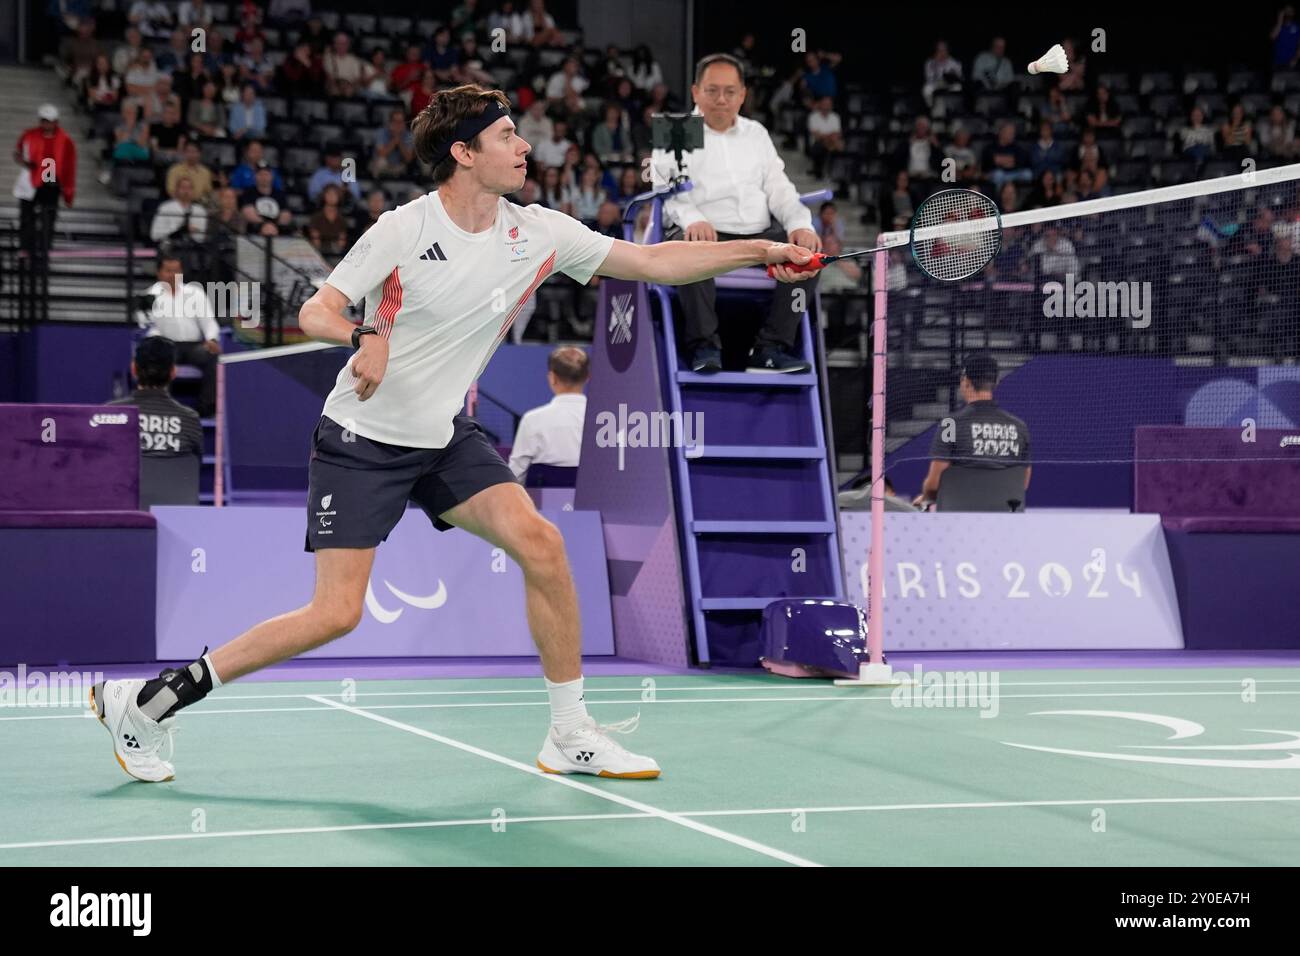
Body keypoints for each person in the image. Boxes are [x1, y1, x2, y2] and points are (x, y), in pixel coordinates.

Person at [90, 82, 814, 784]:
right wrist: (363, 335)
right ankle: (153, 701)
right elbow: (317, 309)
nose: (524, 145)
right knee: (335, 614)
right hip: (361, 438)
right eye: (506, 135)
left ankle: (571, 734)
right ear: (465, 154)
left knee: (542, 543)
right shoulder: (405, 228)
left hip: (443, 434)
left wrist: (762, 251)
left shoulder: (539, 232)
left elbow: (655, 263)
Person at [652, 54, 820, 373]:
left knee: (807, 253)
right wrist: (693, 219)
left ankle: (771, 348)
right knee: (688, 249)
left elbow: (779, 187)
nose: (721, 99)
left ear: (742, 95)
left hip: (757, 235)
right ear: (695, 92)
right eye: (712, 90)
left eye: (730, 91)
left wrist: (800, 224)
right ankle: (704, 346)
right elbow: (666, 188)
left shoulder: (755, 133)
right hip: (704, 233)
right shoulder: (676, 129)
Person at [913, 352, 1031, 509]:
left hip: (958, 519)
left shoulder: (951, 424)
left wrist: (925, 497)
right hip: (1003, 520)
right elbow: (1022, 483)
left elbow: (934, 484)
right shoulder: (1019, 427)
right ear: (995, 382)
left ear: (965, 381)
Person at [134, 254, 221, 416]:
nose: (173, 275)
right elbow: (145, 327)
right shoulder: (147, 296)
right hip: (165, 345)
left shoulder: (195, 293)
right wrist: (157, 339)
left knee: (211, 355)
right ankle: (163, 410)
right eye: (168, 271)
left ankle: (206, 409)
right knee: (158, 356)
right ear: (159, 273)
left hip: (193, 346)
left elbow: (209, 323)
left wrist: (212, 339)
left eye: (177, 271)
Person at [107, 334, 204, 475]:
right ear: (173, 372)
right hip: (174, 496)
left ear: (134, 369)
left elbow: (101, 465)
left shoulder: (109, 414)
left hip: (122, 494)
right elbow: (193, 469)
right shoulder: (190, 420)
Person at [508, 346, 589, 478]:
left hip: (539, 498)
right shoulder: (603, 420)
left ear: (552, 378)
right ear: (587, 377)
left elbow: (516, 474)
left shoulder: (532, 420)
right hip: (594, 497)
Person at [13, 105, 77, 256]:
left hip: (51, 178)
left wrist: (68, 192)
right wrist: (25, 163)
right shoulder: (29, 135)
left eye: (49, 121)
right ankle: (25, 247)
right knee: (26, 215)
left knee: (48, 217)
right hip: (31, 177)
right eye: (43, 121)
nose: (46, 124)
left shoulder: (65, 141)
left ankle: (45, 248)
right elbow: (18, 153)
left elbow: (69, 167)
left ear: (56, 122)